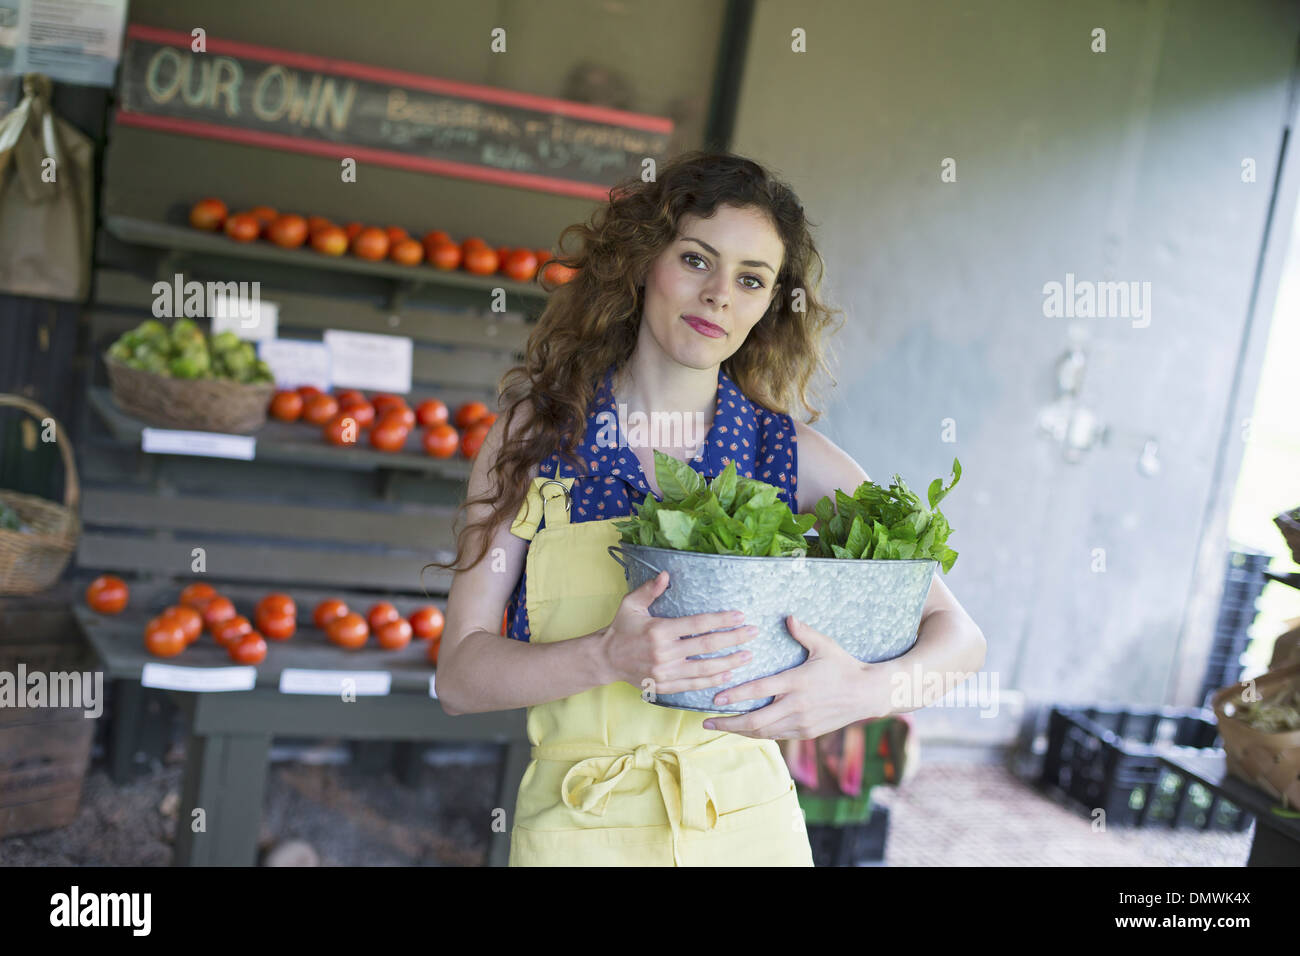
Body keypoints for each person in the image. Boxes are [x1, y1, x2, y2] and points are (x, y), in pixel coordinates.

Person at [431, 150, 986, 866]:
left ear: (766, 305)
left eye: (751, 280)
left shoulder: (792, 458)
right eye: (697, 260)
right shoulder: (537, 440)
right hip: (578, 828)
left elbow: (960, 638)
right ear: (641, 264)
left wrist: (864, 692)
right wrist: (605, 656)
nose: (720, 293)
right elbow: (459, 679)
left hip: (749, 830)